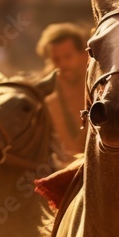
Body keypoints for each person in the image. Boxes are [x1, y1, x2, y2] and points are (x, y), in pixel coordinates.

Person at [36, 21, 89, 155]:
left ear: (84, 54)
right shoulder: (47, 95)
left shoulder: (103, 84)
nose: (63, 64)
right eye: (56, 59)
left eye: (68, 57)